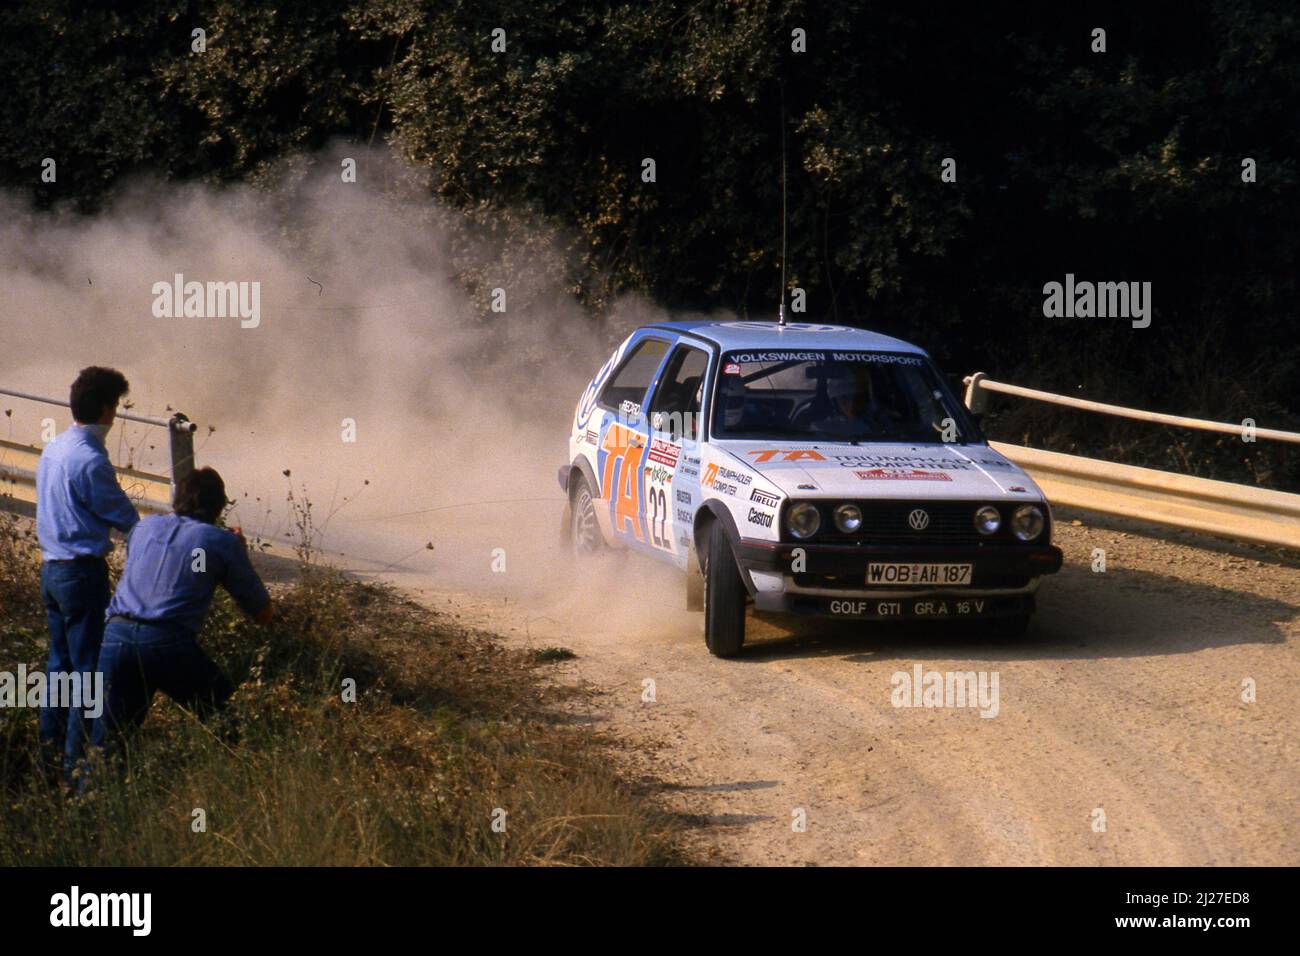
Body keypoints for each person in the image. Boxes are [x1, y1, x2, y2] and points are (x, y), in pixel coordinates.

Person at [92, 467, 272, 762]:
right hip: (167, 642)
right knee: (232, 723)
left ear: (177, 499)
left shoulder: (144, 528)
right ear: (219, 508)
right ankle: (248, 771)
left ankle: (91, 788)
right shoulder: (220, 542)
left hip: (115, 636)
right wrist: (239, 553)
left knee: (108, 743)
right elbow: (262, 613)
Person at [35, 366, 139, 782]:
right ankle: (78, 773)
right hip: (81, 575)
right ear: (106, 410)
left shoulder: (54, 448)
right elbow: (125, 519)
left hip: (51, 571)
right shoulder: (91, 460)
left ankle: (48, 764)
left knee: (58, 668)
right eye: (116, 406)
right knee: (89, 675)